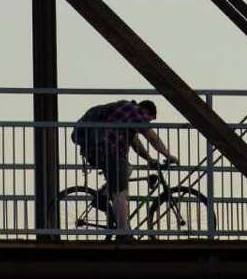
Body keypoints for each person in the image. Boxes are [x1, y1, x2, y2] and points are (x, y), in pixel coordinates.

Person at [72, 98, 178, 235]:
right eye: (149, 120)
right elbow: (152, 138)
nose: (147, 123)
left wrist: (150, 160)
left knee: (127, 169)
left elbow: (136, 145)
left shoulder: (127, 117)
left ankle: (103, 196)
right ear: (145, 110)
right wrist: (168, 155)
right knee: (120, 193)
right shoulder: (133, 111)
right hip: (108, 152)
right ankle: (123, 234)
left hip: (101, 151)